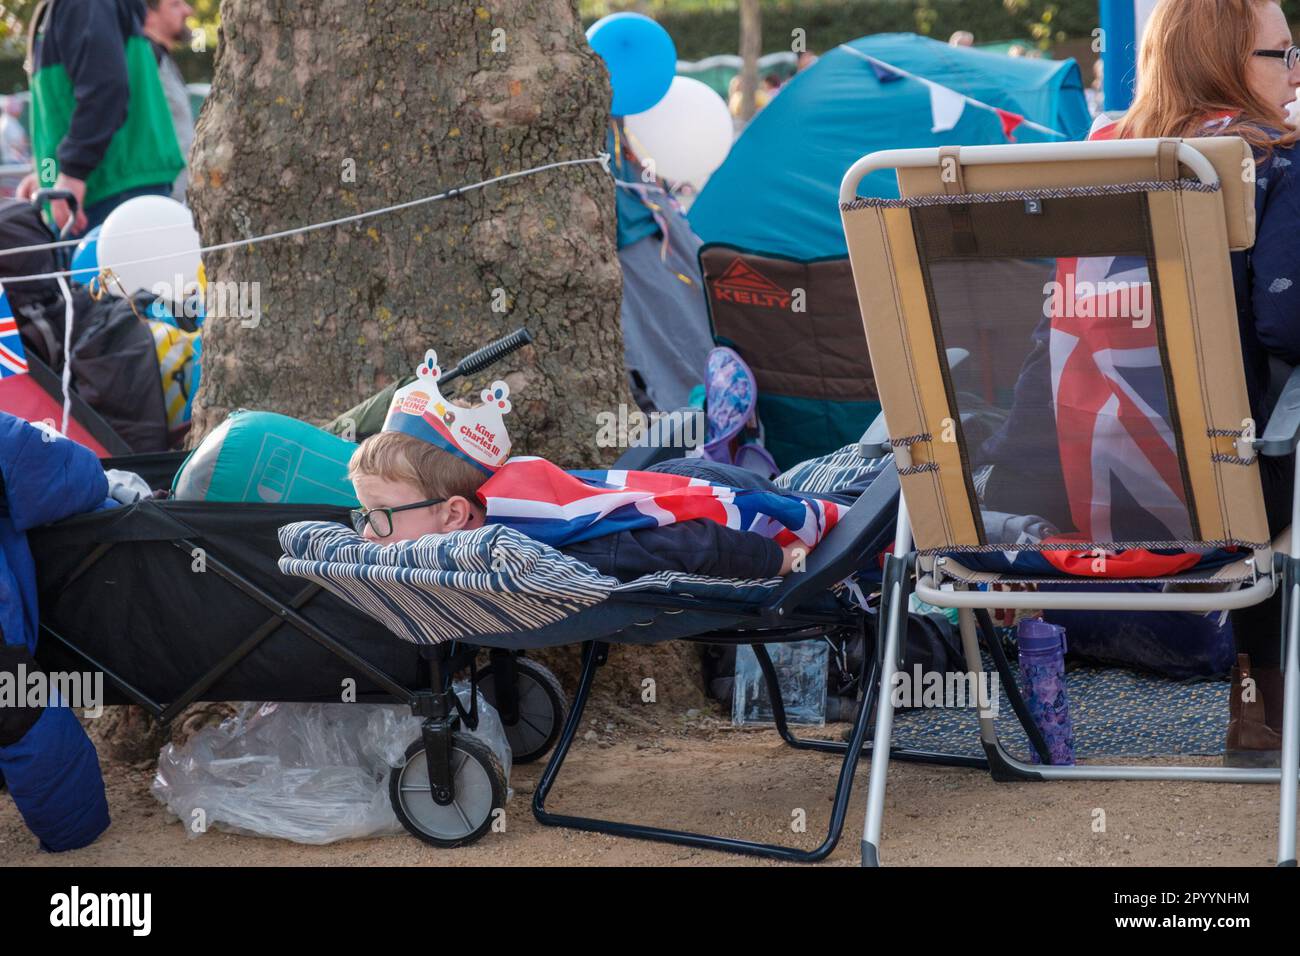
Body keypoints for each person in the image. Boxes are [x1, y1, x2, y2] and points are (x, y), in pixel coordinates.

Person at [983, 0, 1300, 767]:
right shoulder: (1279, 162)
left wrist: (1006, 481)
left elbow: (1051, 333)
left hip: (1053, 505)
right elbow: (1286, 327)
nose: (1298, 72)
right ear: (1225, 64)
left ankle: (1258, 716)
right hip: (1232, 502)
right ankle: (1261, 712)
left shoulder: (1090, 160)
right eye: (1282, 55)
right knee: (1276, 408)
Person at [18, 0, 185, 236]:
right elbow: (56, 114)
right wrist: (47, 176)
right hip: (102, 187)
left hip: (111, 189)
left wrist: (72, 172)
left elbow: (105, 89)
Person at [142, 0, 195, 202]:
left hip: (177, 202)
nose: (187, 10)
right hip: (161, 202)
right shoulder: (146, 59)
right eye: (175, 4)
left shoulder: (160, 58)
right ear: (148, 14)